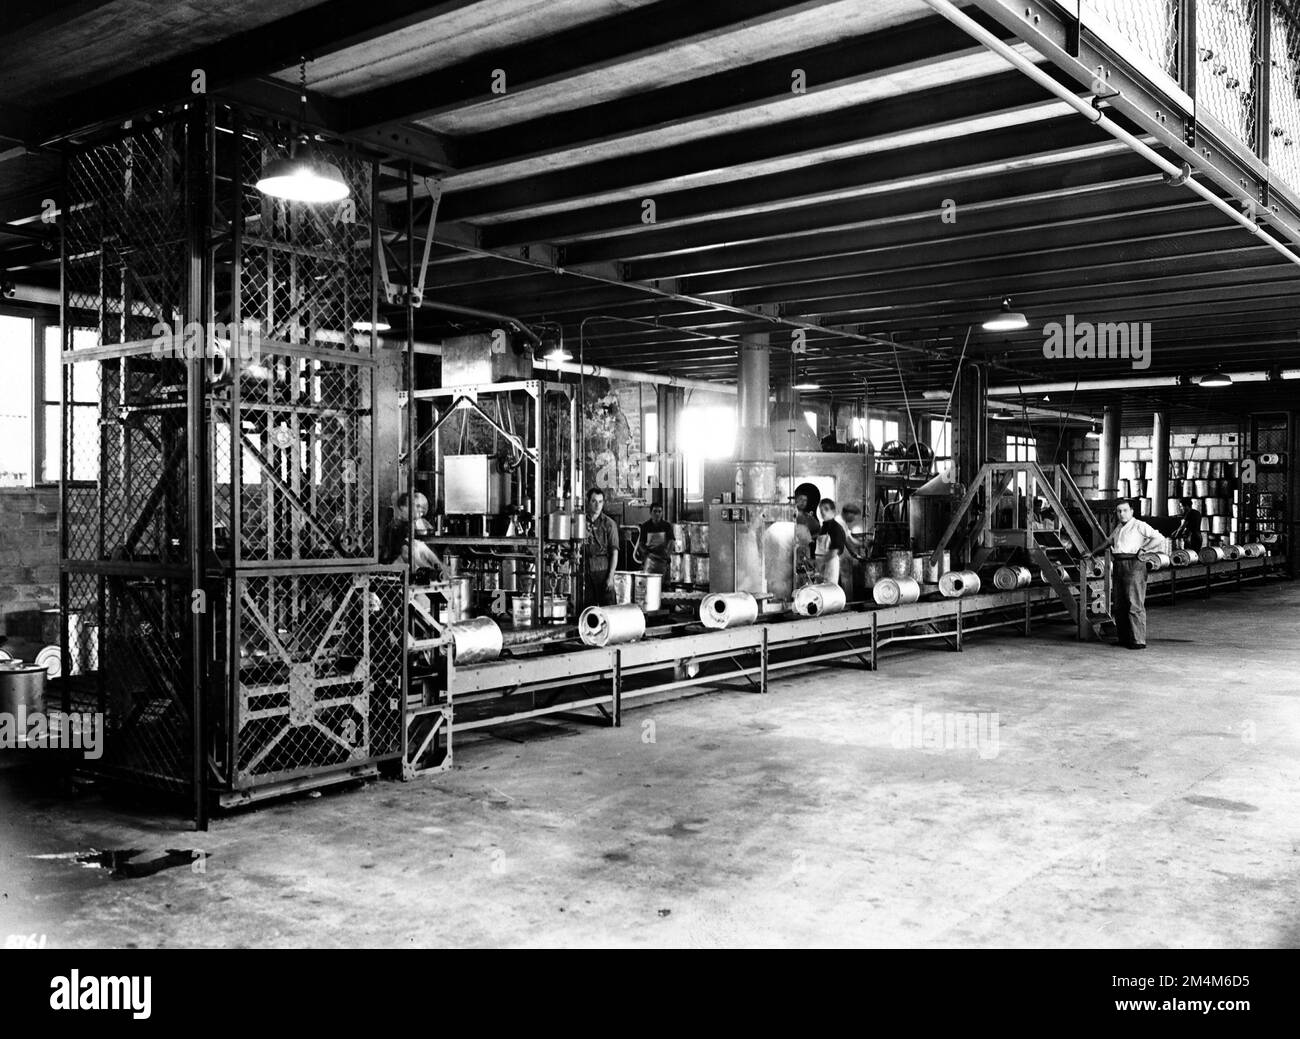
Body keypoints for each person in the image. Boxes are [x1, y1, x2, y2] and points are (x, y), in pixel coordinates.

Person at [1106, 498, 1165, 650]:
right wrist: (1092, 552)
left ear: (1131, 511)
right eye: (1119, 511)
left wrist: (1144, 549)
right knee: (1120, 604)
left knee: (1134, 603)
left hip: (1134, 564)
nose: (1122, 514)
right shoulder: (1119, 527)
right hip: (1119, 564)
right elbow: (1108, 542)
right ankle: (1124, 638)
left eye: (1125, 510)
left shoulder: (1139, 525)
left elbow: (1158, 537)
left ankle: (1138, 640)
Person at [581, 487, 620, 607]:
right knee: (587, 609)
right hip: (584, 568)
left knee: (608, 608)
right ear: (588, 502)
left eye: (600, 501)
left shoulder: (609, 524)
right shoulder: (580, 521)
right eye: (594, 501)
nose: (597, 505)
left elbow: (614, 552)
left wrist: (610, 577)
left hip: (602, 569)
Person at [793, 482, 822, 585]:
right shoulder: (791, 514)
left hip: (807, 551)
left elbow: (817, 531)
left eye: (805, 500)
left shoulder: (809, 516)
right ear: (795, 499)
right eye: (800, 499)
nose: (802, 502)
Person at [637, 500, 674, 576]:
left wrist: (667, 554)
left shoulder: (667, 526)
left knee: (664, 585)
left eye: (659, 511)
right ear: (650, 513)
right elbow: (641, 544)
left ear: (662, 513)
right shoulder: (645, 526)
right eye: (655, 511)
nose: (657, 514)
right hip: (650, 560)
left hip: (663, 560)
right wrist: (647, 554)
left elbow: (671, 541)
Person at [816, 498, 846, 588]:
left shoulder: (836, 528)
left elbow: (834, 551)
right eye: (821, 510)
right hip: (821, 567)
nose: (822, 512)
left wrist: (821, 564)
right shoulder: (823, 528)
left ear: (833, 511)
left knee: (831, 593)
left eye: (826, 509)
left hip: (831, 566)